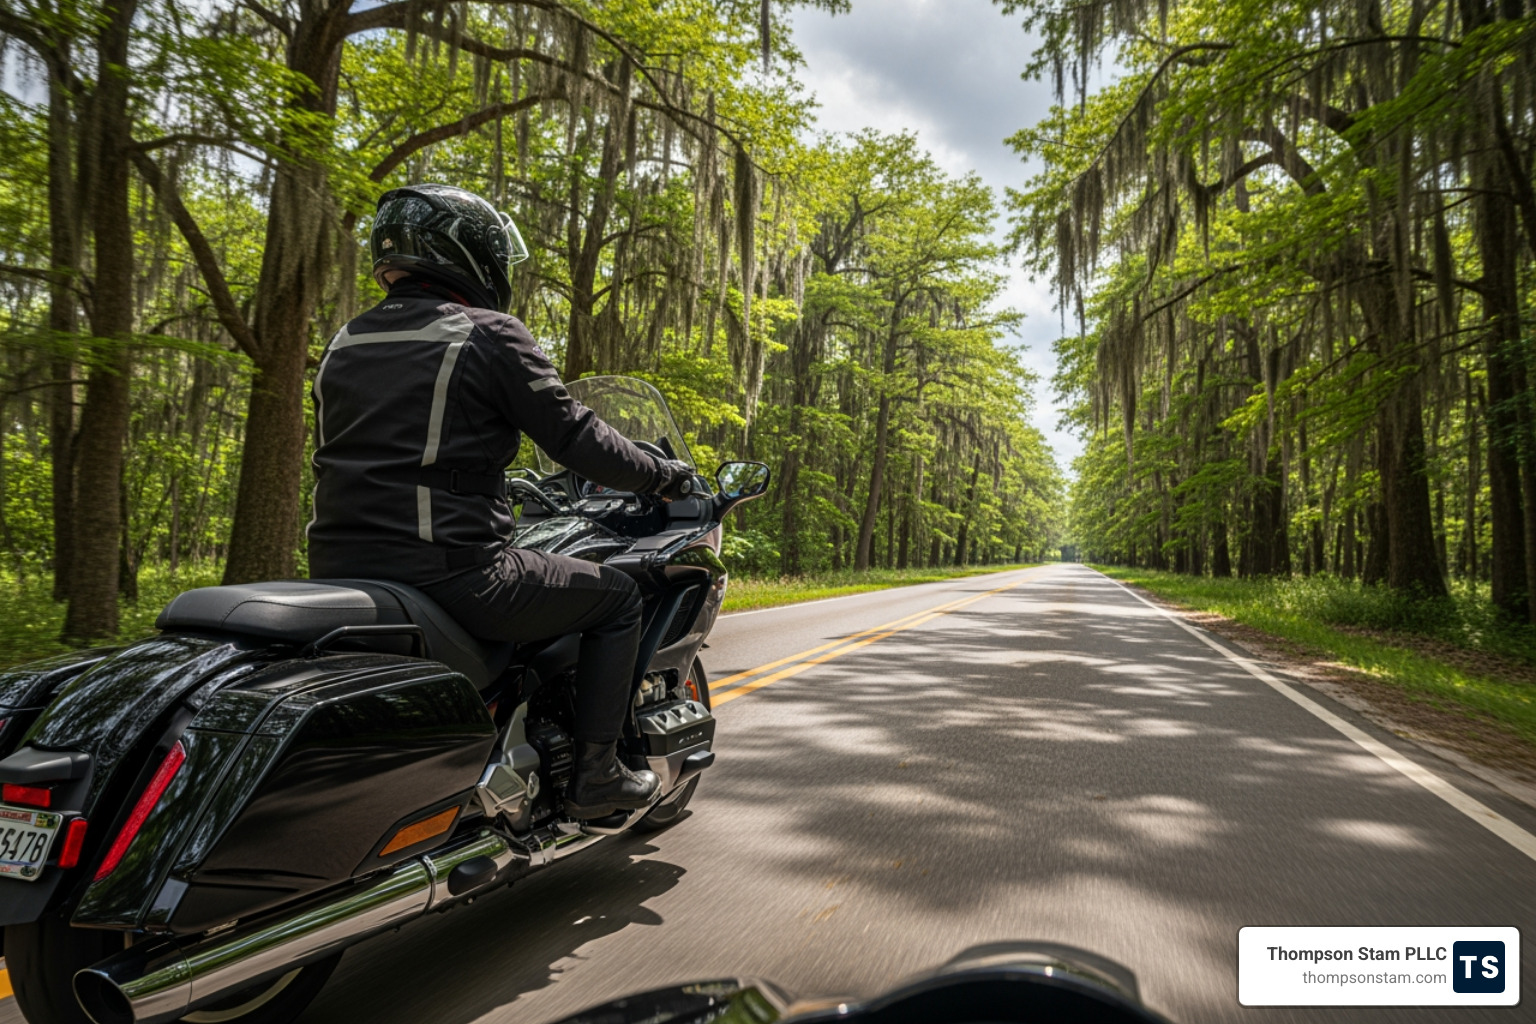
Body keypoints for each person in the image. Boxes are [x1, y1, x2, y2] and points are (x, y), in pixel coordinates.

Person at [307, 183, 694, 819]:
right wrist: (660, 475)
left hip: (340, 571)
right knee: (619, 599)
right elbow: (575, 436)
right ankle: (597, 773)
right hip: (456, 574)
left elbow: (386, 454)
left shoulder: (344, 342)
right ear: (471, 256)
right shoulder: (486, 333)